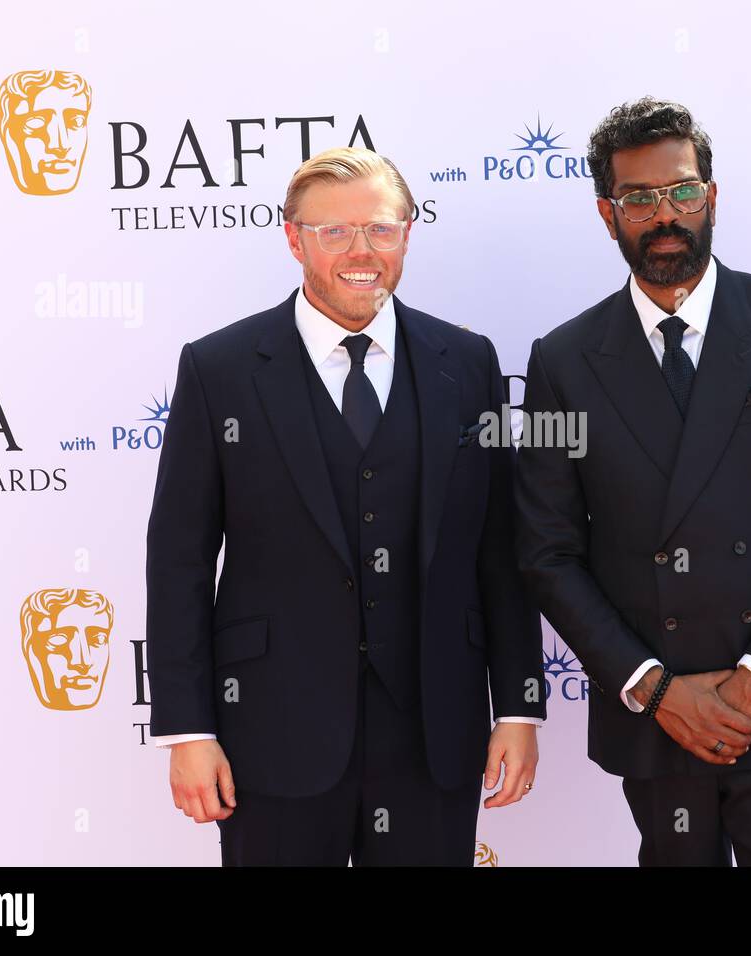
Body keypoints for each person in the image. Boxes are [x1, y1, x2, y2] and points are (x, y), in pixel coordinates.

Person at [146, 147, 544, 865]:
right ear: (294, 238)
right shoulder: (220, 369)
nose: (362, 252)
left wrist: (517, 706)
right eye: (335, 232)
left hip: (434, 730)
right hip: (272, 728)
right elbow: (179, 558)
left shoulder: (468, 362)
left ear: (407, 235)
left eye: (381, 229)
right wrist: (187, 730)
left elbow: (498, 546)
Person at [515, 98, 751, 866]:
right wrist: (656, 689)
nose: (664, 214)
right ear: (606, 214)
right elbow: (548, 551)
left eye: (681, 190)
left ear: (710, 196)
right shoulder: (564, 358)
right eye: (638, 199)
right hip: (657, 713)